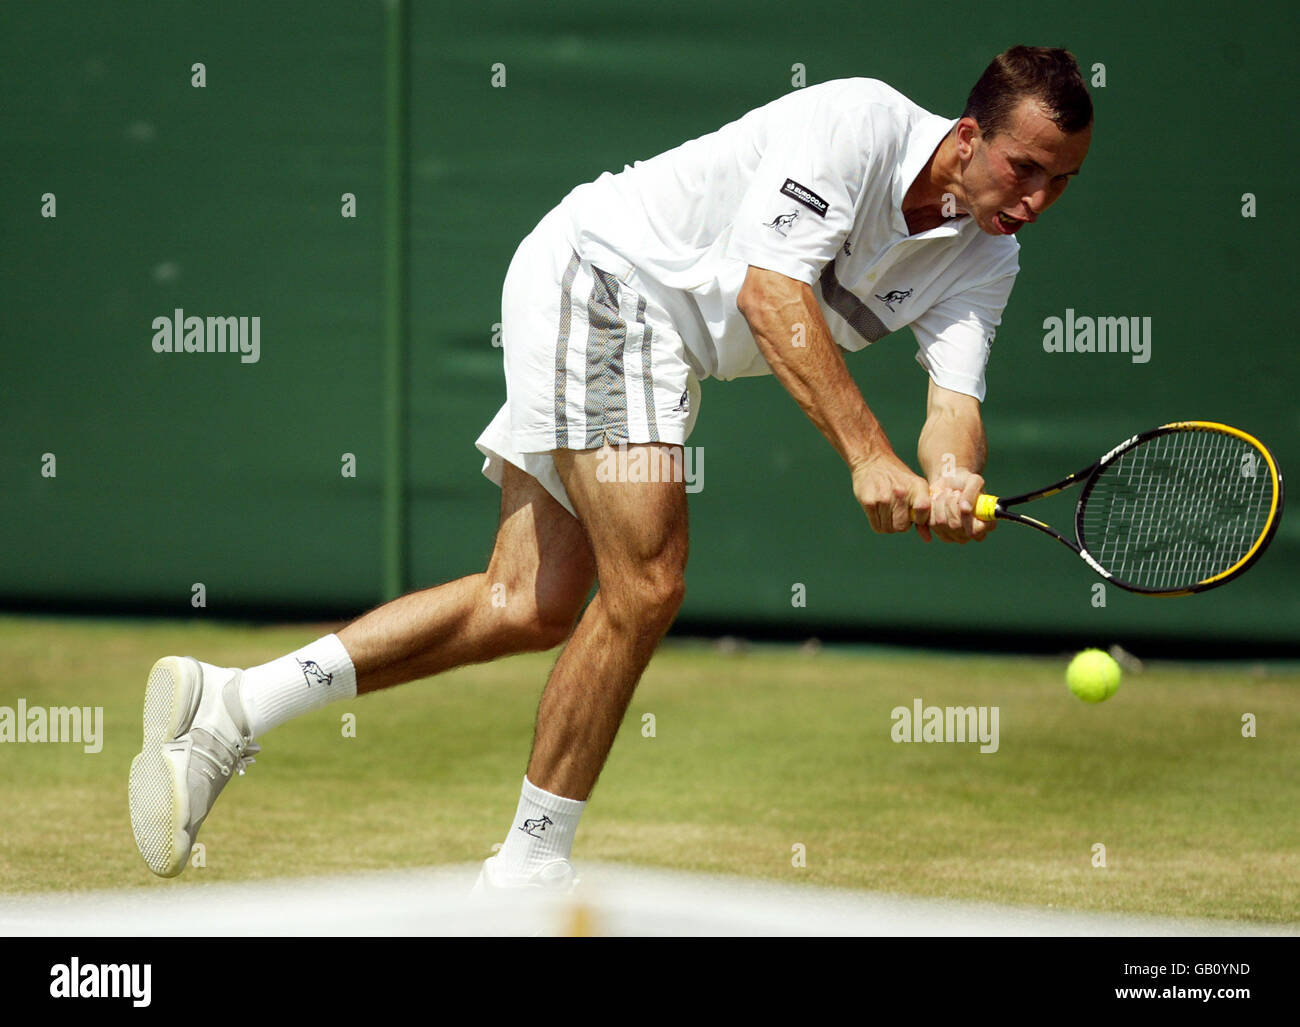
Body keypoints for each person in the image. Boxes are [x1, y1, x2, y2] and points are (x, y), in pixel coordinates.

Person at [129, 45, 1093, 890]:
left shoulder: (987, 258)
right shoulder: (857, 121)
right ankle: (527, 873)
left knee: (532, 602)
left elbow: (954, 407)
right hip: (607, 280)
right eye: (1025, 169)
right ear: (967, 137)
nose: (1037, 201)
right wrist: (868, 456)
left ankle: (234, 704)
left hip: (640, 328)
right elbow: (769, 294)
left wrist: (955, 474)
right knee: (648, 585)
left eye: (1060, 185)